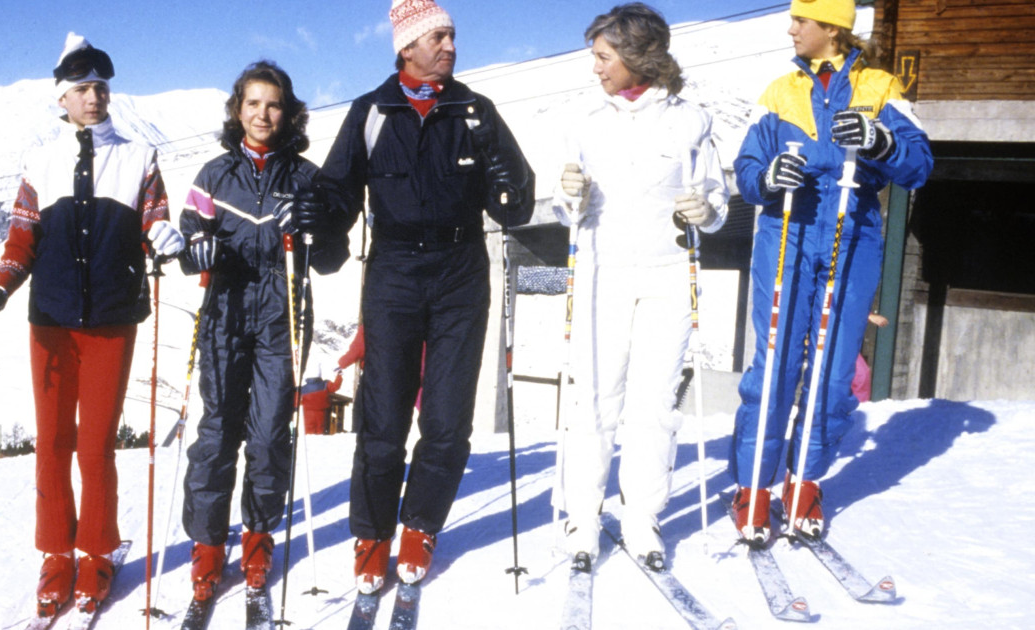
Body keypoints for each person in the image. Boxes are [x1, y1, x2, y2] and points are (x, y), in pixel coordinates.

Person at [319, 0, 535, 594]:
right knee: (383, 415)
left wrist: (507, 180)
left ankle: (420, 525)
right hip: (392, 270)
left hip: (461, 271)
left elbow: (516, 201)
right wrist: (318, 220)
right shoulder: (371, 112)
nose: (450, 46)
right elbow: (337, 192)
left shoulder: (475, 111)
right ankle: (372, 533)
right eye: (437, 36)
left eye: (452, 36)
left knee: (447, 415)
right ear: (406, 47)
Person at [0, 33, 185, 617]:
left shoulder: (139, 157)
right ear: (62, 98)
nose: (94, 97)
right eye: (82, 89)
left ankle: (95, 554)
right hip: (50, 318)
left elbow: (155, 218)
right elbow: (22, 235)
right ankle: (55, 554)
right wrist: (0, 286)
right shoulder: (39, 160)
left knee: (96, 445)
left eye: (100, 87)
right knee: (52, 442)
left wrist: (163, 237)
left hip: (111, 320)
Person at [729, 0, 932, 544]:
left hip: (852, 229)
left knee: (834, 368)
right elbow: (746, 170)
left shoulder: (881, 88)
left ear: (832, 27)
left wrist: (881, 142)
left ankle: (805, 481)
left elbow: (919, 164)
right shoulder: (779, 92)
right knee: (775, 364)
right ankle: (753, 486)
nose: (790, 28)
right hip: (786, 230)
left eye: (801, 20)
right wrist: (768, 176)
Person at [552, 3, 729, 572]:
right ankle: (582, 517)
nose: (596, 67)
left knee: (655, 403)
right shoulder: (586, 122)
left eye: (604, 56)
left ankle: (641, 518)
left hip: (667, 275)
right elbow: (565, 209)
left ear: (636, 56)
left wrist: (707, 211)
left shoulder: (690, 121)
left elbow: (717, 200)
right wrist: (570, 196)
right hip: (602, 274)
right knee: (594, 398)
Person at [176, 60, 349, 602]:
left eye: (273, 105)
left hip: (283, 312)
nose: (262, 114)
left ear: (288, 113)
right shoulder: (213, 175)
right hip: (224, 310)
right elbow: (187, 245)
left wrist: (313, 228)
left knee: (271, 432)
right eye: (253, 103)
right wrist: (197, 249)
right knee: (217, 431)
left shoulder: (306, 178)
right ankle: (207, 544)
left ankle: (258, 536)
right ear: (237, 109)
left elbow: (332, 257)